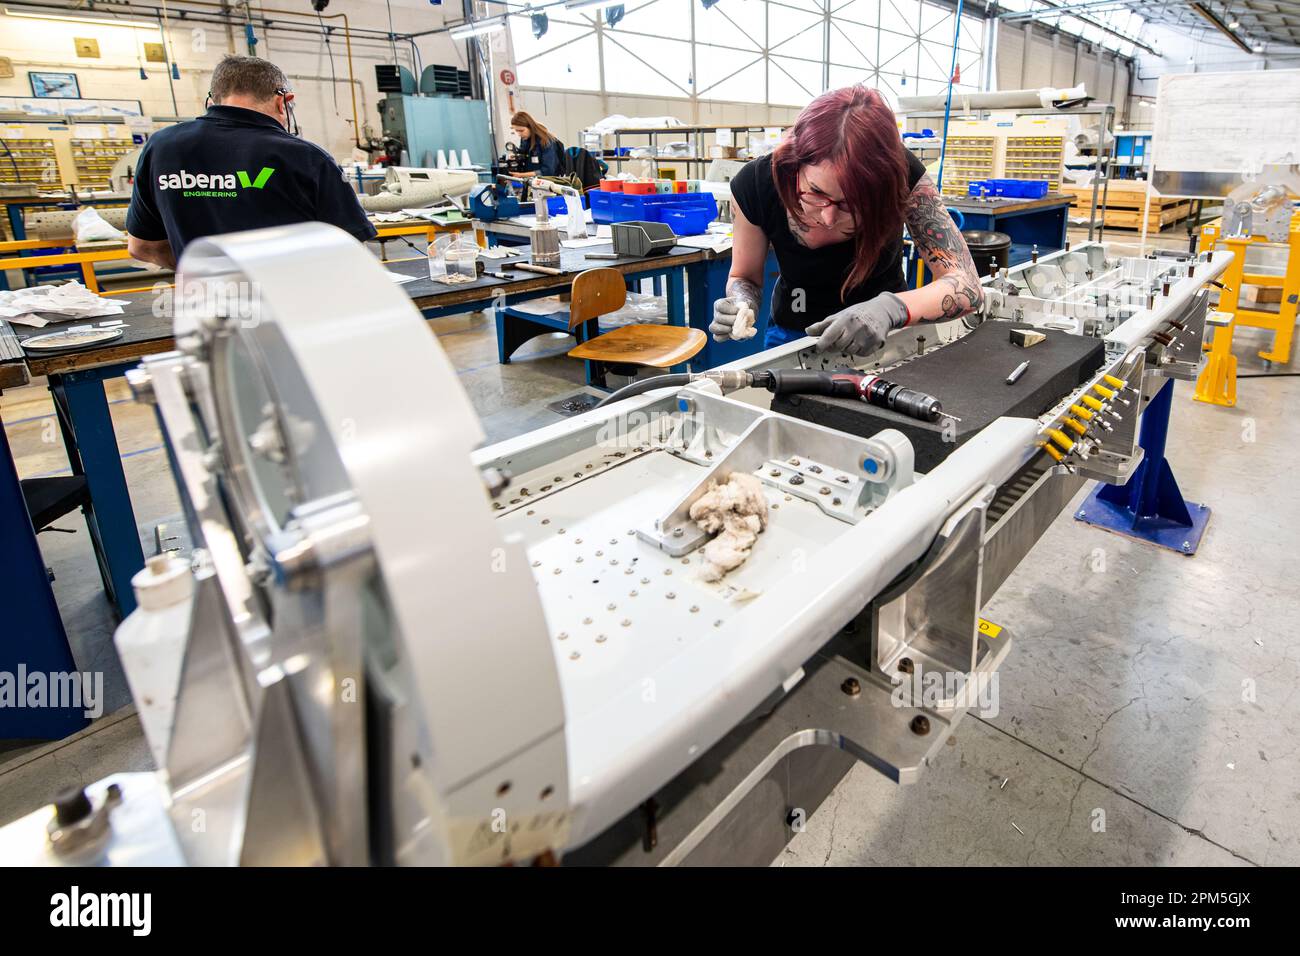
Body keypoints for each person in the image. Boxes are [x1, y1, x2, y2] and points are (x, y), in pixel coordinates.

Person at [711, 86, 982, 356]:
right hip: (793, 336)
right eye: (816, 192)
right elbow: (744, 276)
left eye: (851, 204)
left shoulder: (902, 176)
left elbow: (967, 284)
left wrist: (891, 308)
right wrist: (741, 301)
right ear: (795, 164)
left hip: (885, 334)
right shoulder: (756, 184)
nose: (829, 217)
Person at [126, 55, 376, 269]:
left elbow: (142, 247)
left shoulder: (161, 147)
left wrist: (209, 275)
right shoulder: (306, 157)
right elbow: (352, 251)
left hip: (207, 313)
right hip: (293, 311)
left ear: (212, 100)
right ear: (282, 101)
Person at [509, 111, 566, 179]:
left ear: (530, 126)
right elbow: (523, 153)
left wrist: (522, 175)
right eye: (516, 131)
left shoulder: (546, 141)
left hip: (548, 183)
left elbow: (548, 171)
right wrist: (516, 156)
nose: (519, 134)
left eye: (521, 131)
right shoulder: (525, 139)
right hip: (531, 181)